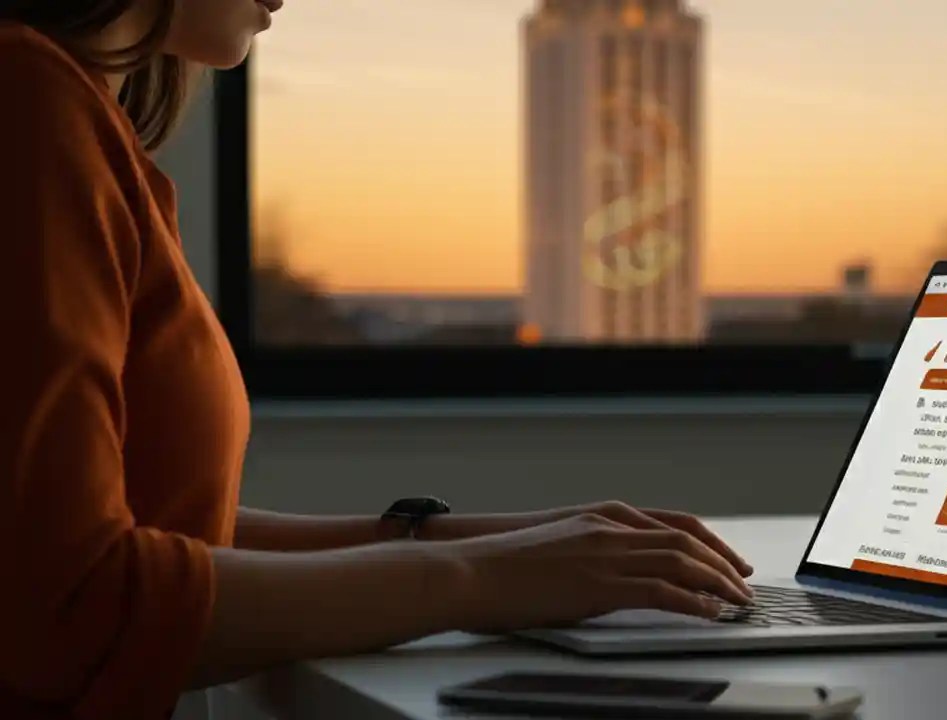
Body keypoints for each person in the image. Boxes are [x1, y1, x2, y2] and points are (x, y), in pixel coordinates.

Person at [0, 1, 754, 717]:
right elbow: (69, 605)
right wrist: (483, 579)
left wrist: (487, 542)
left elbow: (156, 527)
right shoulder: (29, 104)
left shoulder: (70, 113)